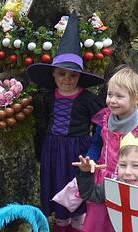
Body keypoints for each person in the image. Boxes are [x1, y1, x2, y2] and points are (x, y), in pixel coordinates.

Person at [27, 13, 105, 232]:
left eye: (73, 76)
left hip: (77, 150)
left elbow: (102, 121)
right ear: (53, 74)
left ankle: (79, 225)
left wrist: (94, 148)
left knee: (76, 189)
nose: (67, 80)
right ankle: (61, 224)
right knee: (57, 187)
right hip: (53, 149)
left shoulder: (88, 99)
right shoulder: (49, 96)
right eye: (62, 74)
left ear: (80, 77)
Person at [83, 67, 138, 232]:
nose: (112, 100)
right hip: (104, 178)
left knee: (123, 219)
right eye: (110, 95)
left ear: (135, 99)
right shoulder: (105, 120)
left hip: (130, 180)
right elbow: (97, 143)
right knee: (98, 219)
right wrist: (90, 159)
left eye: (119, 96)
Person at [75, 133, 138, 232]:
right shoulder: (115, 186)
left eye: (135, 166)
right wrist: (85, 172)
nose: (127, 172)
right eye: (123, 165)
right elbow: (89, 194)